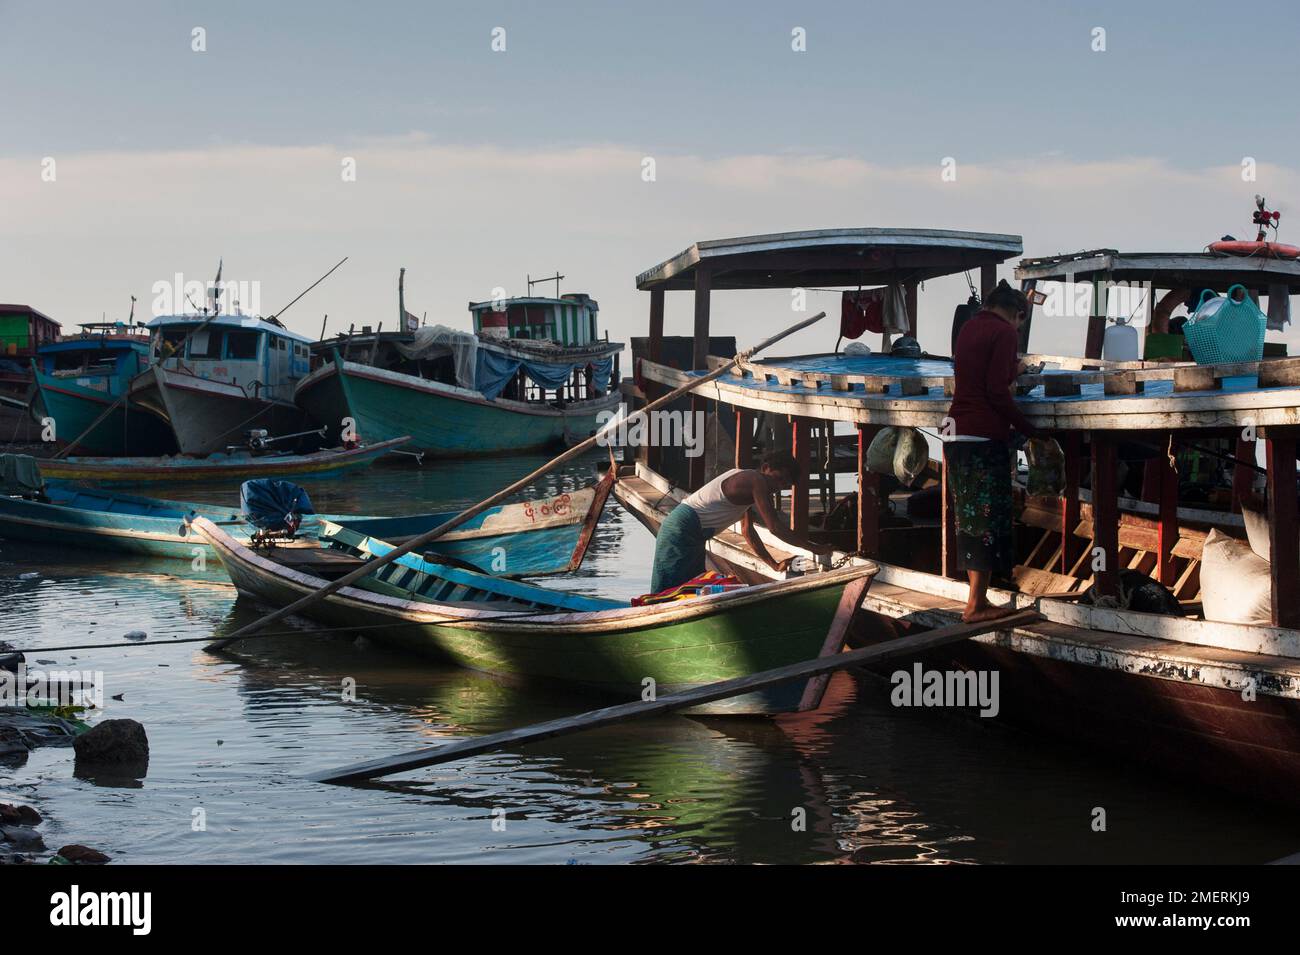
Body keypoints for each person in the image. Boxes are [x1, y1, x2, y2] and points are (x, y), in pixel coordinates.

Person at [944, 280, 1039, 623]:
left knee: (970, 519)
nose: (1017, 327)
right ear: (1017, 314)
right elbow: (998, 393)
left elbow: (977, 377)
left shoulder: (970, 327)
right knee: (988, 520)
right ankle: (976, 605)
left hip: (955, 433)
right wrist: (1031, 432)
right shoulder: (1004, 333)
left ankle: (978, 599)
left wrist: (1016, 369)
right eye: (1019, 322)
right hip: (982, 435)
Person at [649, 450, 833, 593]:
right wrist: (814, 548)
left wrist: (773, 564)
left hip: (693, 535)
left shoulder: (750, 487)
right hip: (681, 529)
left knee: (691, 589)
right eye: (778, 478)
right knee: (667, 592)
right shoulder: (755, 480)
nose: (777, 487)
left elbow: (748, 532)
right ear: (766, 467)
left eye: (784, 485)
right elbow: (774, 527)